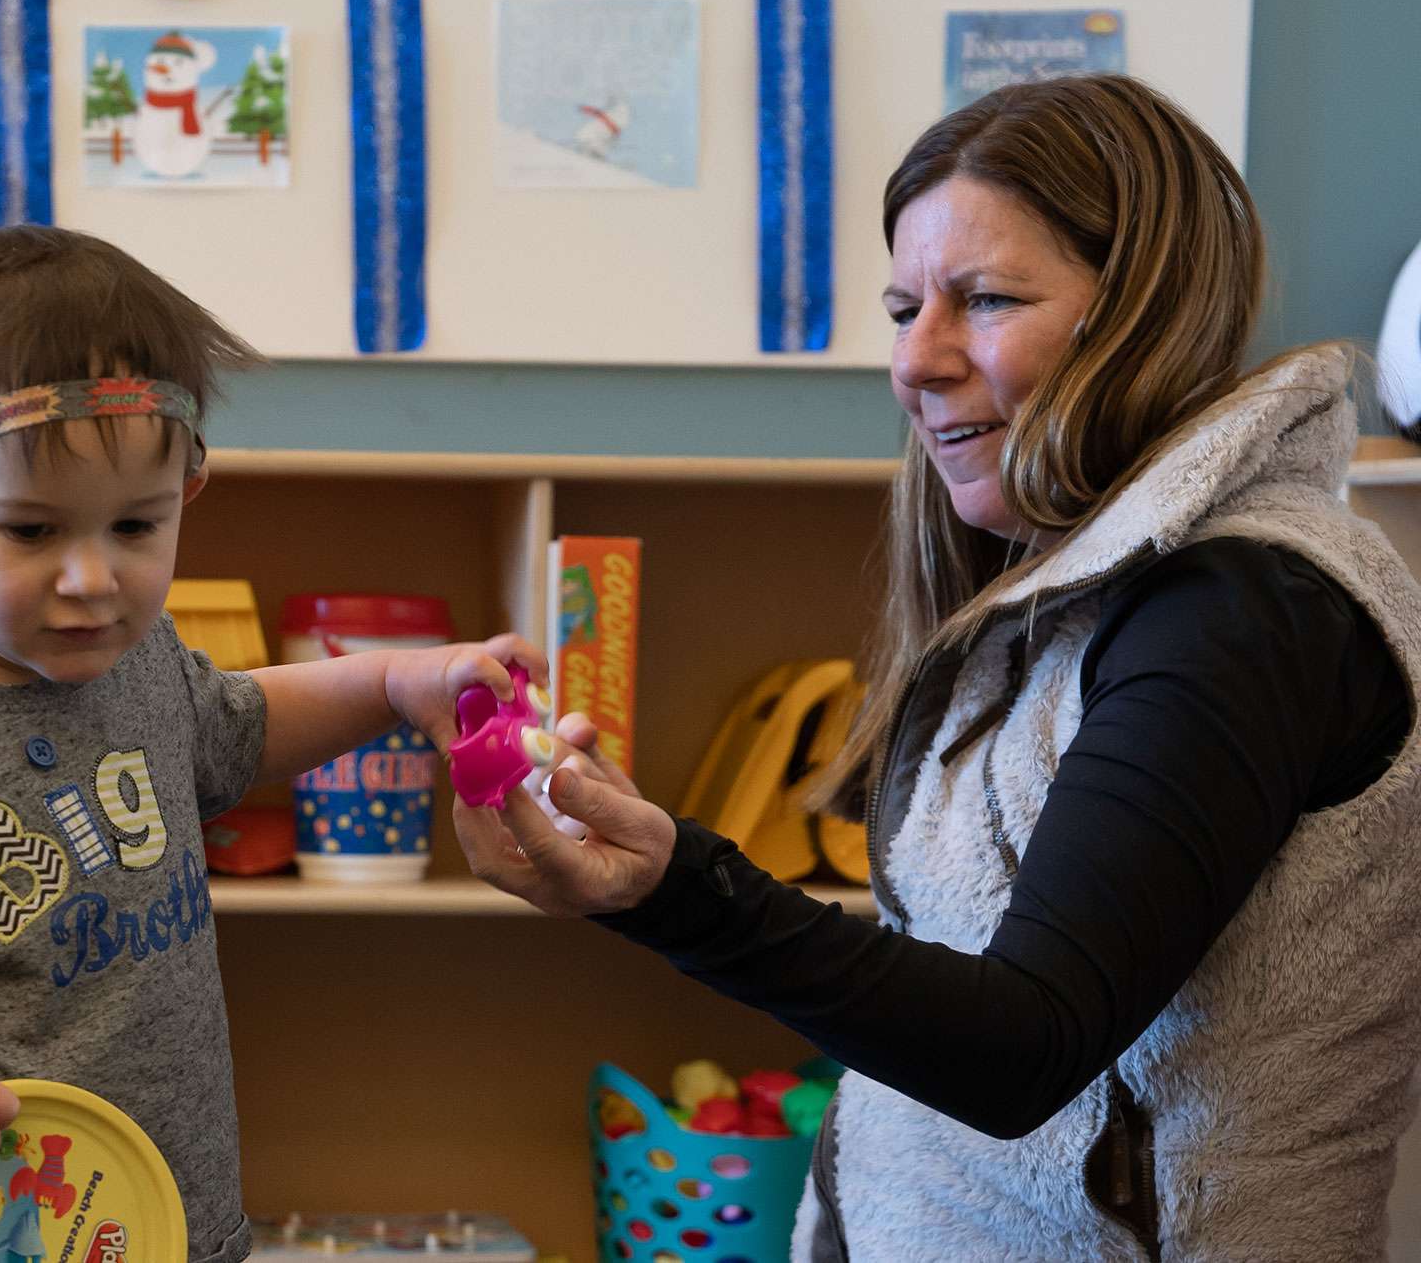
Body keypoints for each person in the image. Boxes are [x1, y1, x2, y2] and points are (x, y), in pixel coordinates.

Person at [454, 73, 1421, 1261]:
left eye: (985, 299)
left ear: (1144, 317)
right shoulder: (1066, 589)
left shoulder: (1237, 615)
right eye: (903, 307)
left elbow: (1024, 1043)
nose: (916, 360)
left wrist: (674, 890)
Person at [0, 225, 541, 1263]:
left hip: (163, 1216)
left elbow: (242, 724)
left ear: (185, 496)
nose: (92, 579)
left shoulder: (133, 663)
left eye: (134, 527)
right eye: (32, 532)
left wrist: (393, 682)